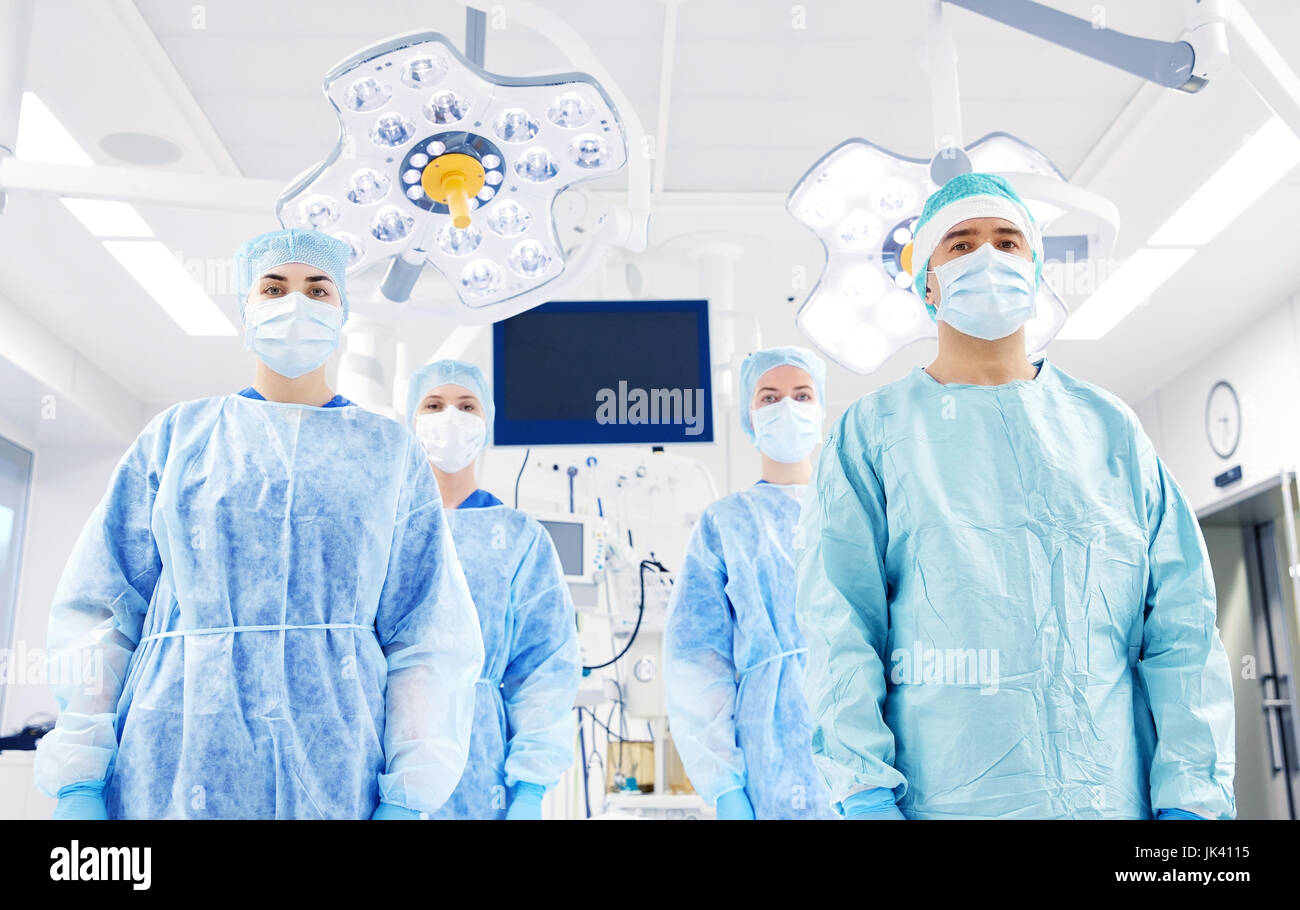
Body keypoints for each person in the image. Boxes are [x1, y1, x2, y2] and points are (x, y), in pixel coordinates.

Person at [796, 173, 1236, 820]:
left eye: (1008, 242)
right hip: (946, 799)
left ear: (1035, 270)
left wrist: (1191, 803)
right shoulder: (872, 437)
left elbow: (1182, 631)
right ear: (926, 281)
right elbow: (840, 630)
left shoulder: (1110, 430)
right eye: (961, 244)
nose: (988, 258)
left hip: (1111, 801)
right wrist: (863, 794)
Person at [34, 228, 484, 820]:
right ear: (245, 307)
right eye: (274, 288)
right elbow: (103, 612)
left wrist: (409, 791)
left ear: (342, 310)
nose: (295, 304)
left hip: (336, 768)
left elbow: (423, 637)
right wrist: (79, 774)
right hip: (171, 756)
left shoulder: (389, 454)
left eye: (317, 290)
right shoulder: (179, 438)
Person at [664, 346, 839, 819]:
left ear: (821, 409)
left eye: (802, 395)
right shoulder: (726, 524)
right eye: (769, 397)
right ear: (749, 417)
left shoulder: (855, 511)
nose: (788, 407)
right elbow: (698, 663)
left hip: (862, 766)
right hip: (769, 764)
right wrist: (725, 787)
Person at [406, 359, 580, 819]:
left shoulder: (519, 537)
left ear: (486, 424)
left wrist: (529, 788)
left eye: (467, 406)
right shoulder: (389, 528)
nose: (451, 416)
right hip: (388, 766)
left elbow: (544, 667)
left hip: (483, 772)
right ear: (413, 419)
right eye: (434, 404)